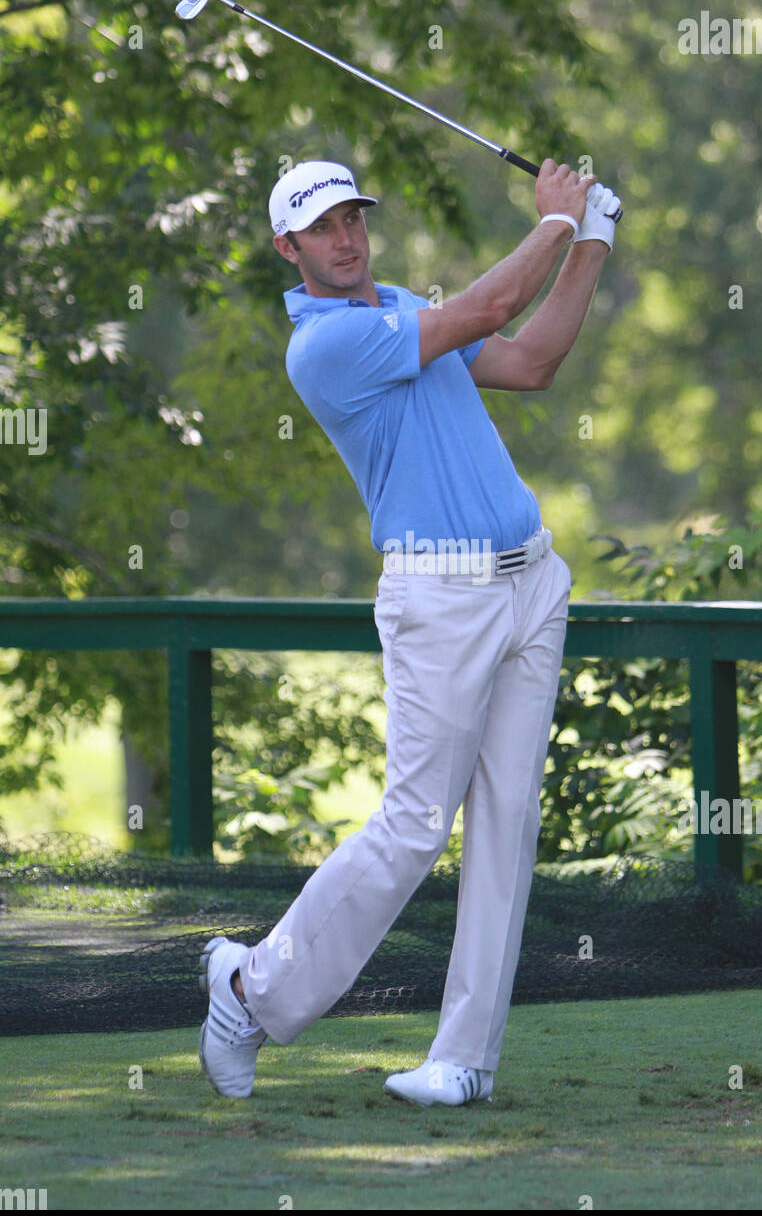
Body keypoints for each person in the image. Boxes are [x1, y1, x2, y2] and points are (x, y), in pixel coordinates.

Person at [199, 156, 621, 1104]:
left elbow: (530, 359)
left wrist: (591, 239)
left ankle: (461, 1061)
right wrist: (553, 221)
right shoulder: (326, 346)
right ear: (288, 248)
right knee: (414, 826)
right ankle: (248, 989)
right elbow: (480, 313)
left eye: (354, 218)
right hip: (440, 598)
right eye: (323, 228)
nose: (345, 239)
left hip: (530, 583)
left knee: (507, 825)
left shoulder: (392, 306)